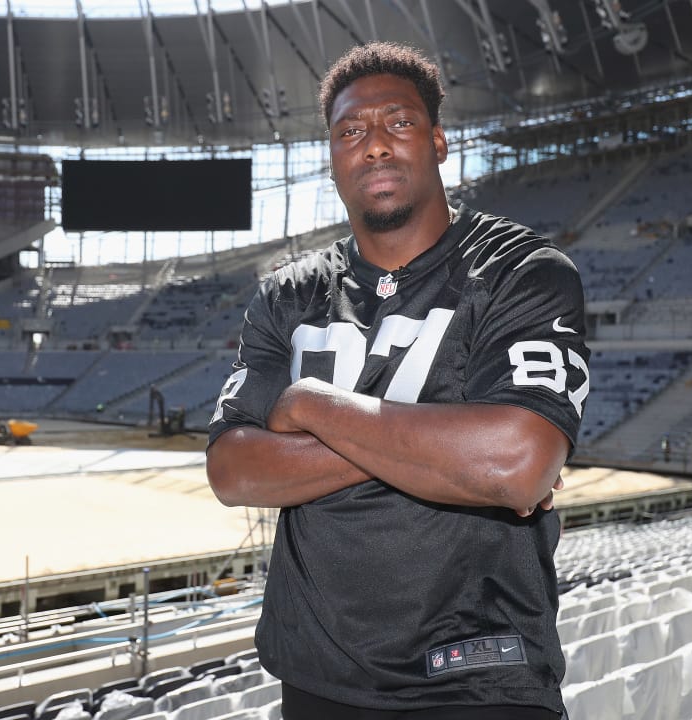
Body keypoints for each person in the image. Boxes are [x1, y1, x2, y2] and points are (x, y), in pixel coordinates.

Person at [206, 42, 590, 719]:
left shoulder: (520, 271)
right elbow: (233, 471)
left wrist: (310, 404)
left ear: (439, 141)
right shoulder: (287, 295)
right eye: (350, 131)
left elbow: (515, 463)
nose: (375, 144)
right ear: (333, 157)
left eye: (399, 122)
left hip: (481, 674)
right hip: (319, 675)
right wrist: (448, 441)